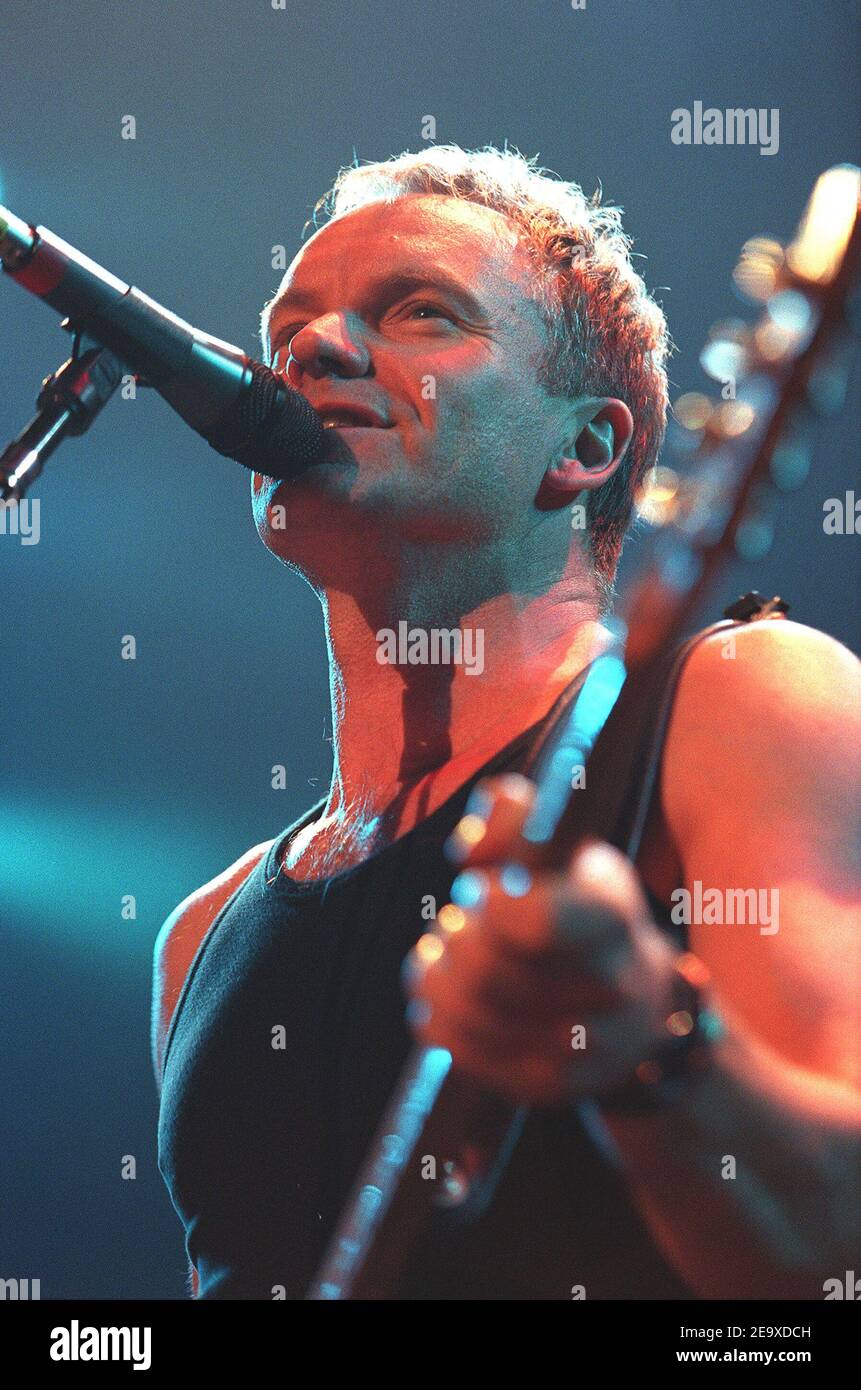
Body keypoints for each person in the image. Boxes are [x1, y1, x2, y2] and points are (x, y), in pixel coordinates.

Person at [152, 144, 860, 1300]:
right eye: (293, 327)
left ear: (587, 448)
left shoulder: (744, 696)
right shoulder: (200, 934)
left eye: (420, 312)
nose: (312, 352)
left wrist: (656, 1054)